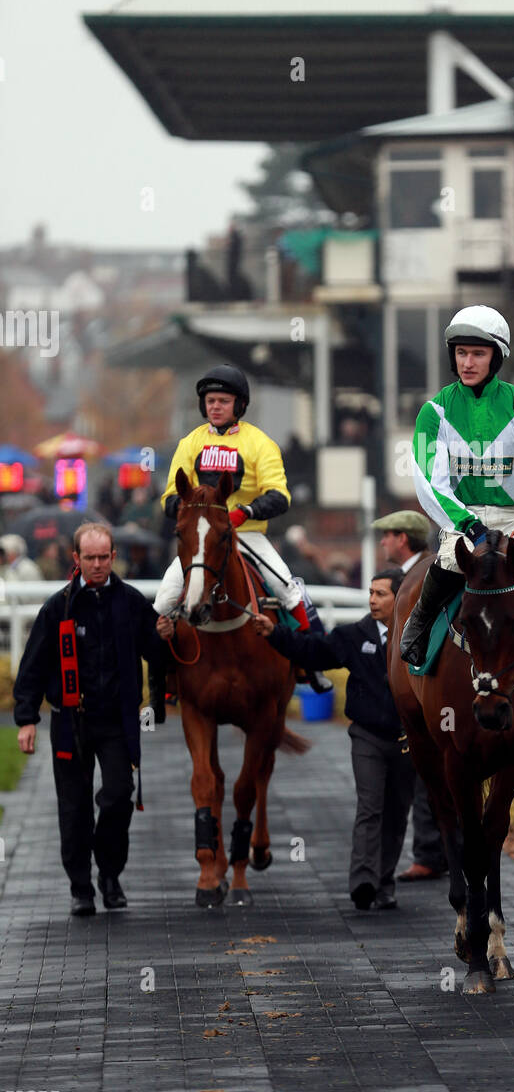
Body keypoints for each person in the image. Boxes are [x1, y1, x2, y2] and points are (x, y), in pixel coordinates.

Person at [400, 305, 514, 664]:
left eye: (478, 354)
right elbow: (430, 484)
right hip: (464, 520)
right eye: (461, 353)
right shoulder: (433, 412)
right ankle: (419, 621)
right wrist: (469, 526)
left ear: (496, 358)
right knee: (449, 562)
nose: (467, 362)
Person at [13, 524, 171, 916]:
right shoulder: (58, 607)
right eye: (90, 558)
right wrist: (26, 719)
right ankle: (81, 887)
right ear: (76, 559)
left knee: (119, 795)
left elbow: (159, 655)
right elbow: (32, 666)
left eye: (104, 557)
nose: (98, 565)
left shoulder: (132, 603)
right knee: (74, 807)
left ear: (113, 556)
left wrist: (166, 636)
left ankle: (110, 874)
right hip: (70, 722)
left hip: (118, 721)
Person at [254, 570, 414, 911]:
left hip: (407, 741)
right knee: (370, 807)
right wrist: (274, 634)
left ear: (399, 599)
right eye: (370, 592)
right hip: (367, 737)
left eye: (381, 594)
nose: (372, 599)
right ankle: (363, 882)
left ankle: (385, 882)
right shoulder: (355, 635)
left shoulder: (420, 635)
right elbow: (314, 651)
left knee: (397, 813)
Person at [154, 365, 310, 627]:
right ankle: (156, 666)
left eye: (224, 401)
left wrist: (245, 512)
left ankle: (310, 661)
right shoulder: (189, 443)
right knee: (164, 599)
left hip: (246, 534)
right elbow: (170, 497)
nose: (215, 407)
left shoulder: (261, 443)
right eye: (210, 401)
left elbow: (279, 496)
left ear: (240, 404)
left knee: (287, 589)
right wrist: (194, 513)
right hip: (202, 541)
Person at [372, 509, 446, 883]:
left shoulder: (425, 573)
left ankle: (431, 853)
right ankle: (435, 850)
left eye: (387, 535)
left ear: (403, 539)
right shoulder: (403, 577)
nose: (382, 542)